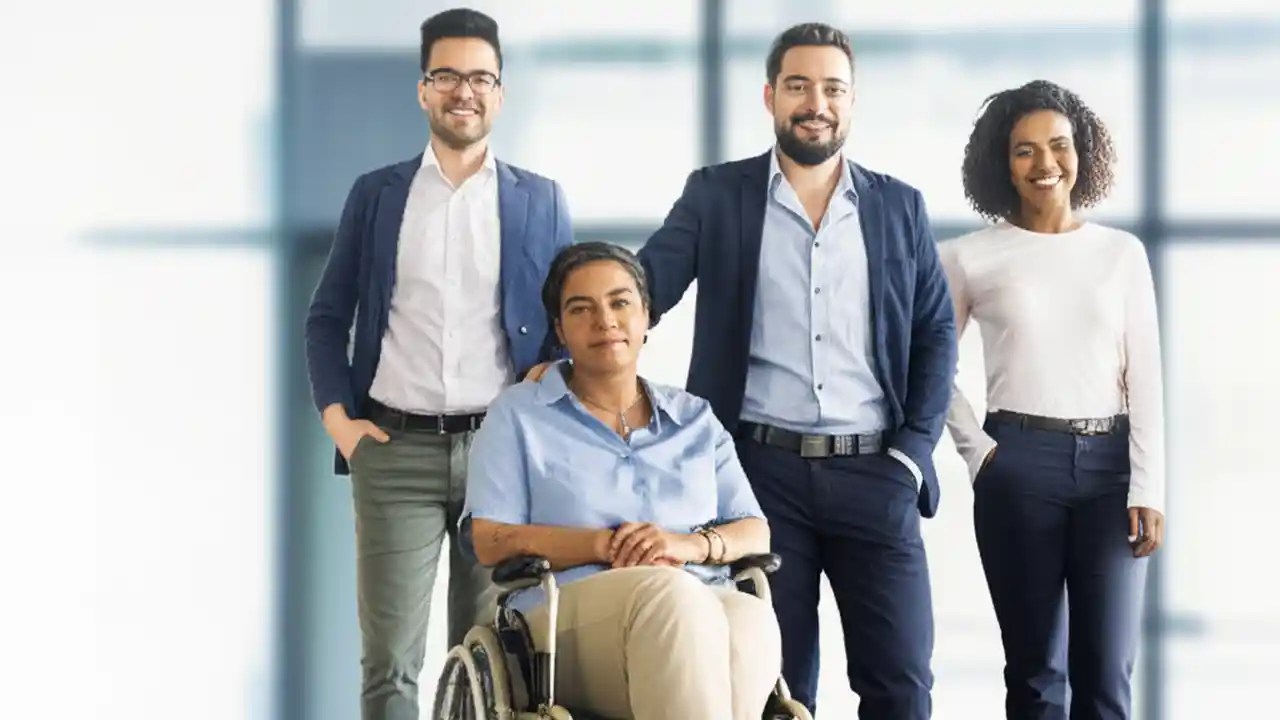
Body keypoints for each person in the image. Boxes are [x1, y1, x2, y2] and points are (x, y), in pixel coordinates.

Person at [638, 22, 955, 720]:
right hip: (759, 479)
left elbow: (936, 331)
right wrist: (564, 351)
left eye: (833, 88)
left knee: (902, 687)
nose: (818, 102)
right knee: (773, 689)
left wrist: (911, 455)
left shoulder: (899, 207)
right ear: (770, 96)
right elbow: (642, 290)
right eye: (800, 86)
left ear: (852, 100)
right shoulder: (717, 195)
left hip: (878, 473)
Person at [302, 8, 573, 718]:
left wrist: (545, 391)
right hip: (393, 453)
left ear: (500, 93)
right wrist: (341, 423)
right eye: (448, 75)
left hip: (497, 457)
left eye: (481, 77)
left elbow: (563, 326)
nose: (465, 90)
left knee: (485, 658)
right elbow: (327, 317)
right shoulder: (378, 195)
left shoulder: (539, 200)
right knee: (390, 663)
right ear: (423, 89)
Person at [463, 242, 782, 720]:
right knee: (670, 597)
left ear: (646, 317)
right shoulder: (519, 415)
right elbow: (489, 540)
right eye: (581, 308)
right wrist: (604, 545)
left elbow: (754, 530)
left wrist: (686, 546)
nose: (605, 320)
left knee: (749, 617)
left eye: (619, 303)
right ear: (559, 329)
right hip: (562, 622)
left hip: (695, 595)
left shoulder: (695, 419)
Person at [940, 79, 1165, 720]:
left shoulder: (1121, 254)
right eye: (1025, 151)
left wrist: (1149, 487)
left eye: (1059, 146)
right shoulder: (969, 257)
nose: (1046, 164)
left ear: (1081, 152)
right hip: (1017, 465)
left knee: (1108, 676)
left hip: (1111, 470)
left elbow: (1144, 374)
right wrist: (979, 452)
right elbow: (928, 366)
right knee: (1037, 677)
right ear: (1001, 164)